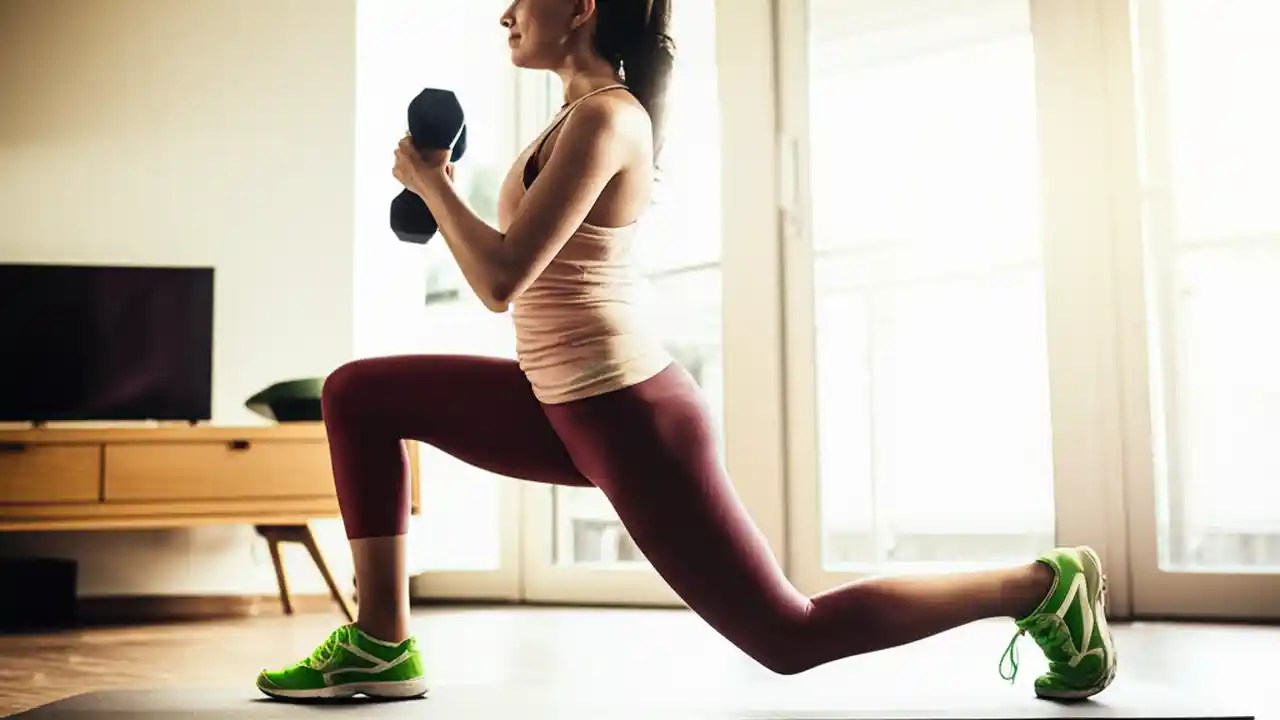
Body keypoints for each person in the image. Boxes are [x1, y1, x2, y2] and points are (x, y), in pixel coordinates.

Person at [256, 0, 1117, 703]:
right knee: (359, 393)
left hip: (626, 415)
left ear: (582, 7)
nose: (505, 14)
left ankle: (1042, 587)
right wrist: (442, 191)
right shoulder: (573, 118)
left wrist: (433, 185)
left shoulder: (610, 119)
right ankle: (380, 642)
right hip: (559, 399)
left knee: (789, 635)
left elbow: (501, 281)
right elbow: (517, 265)